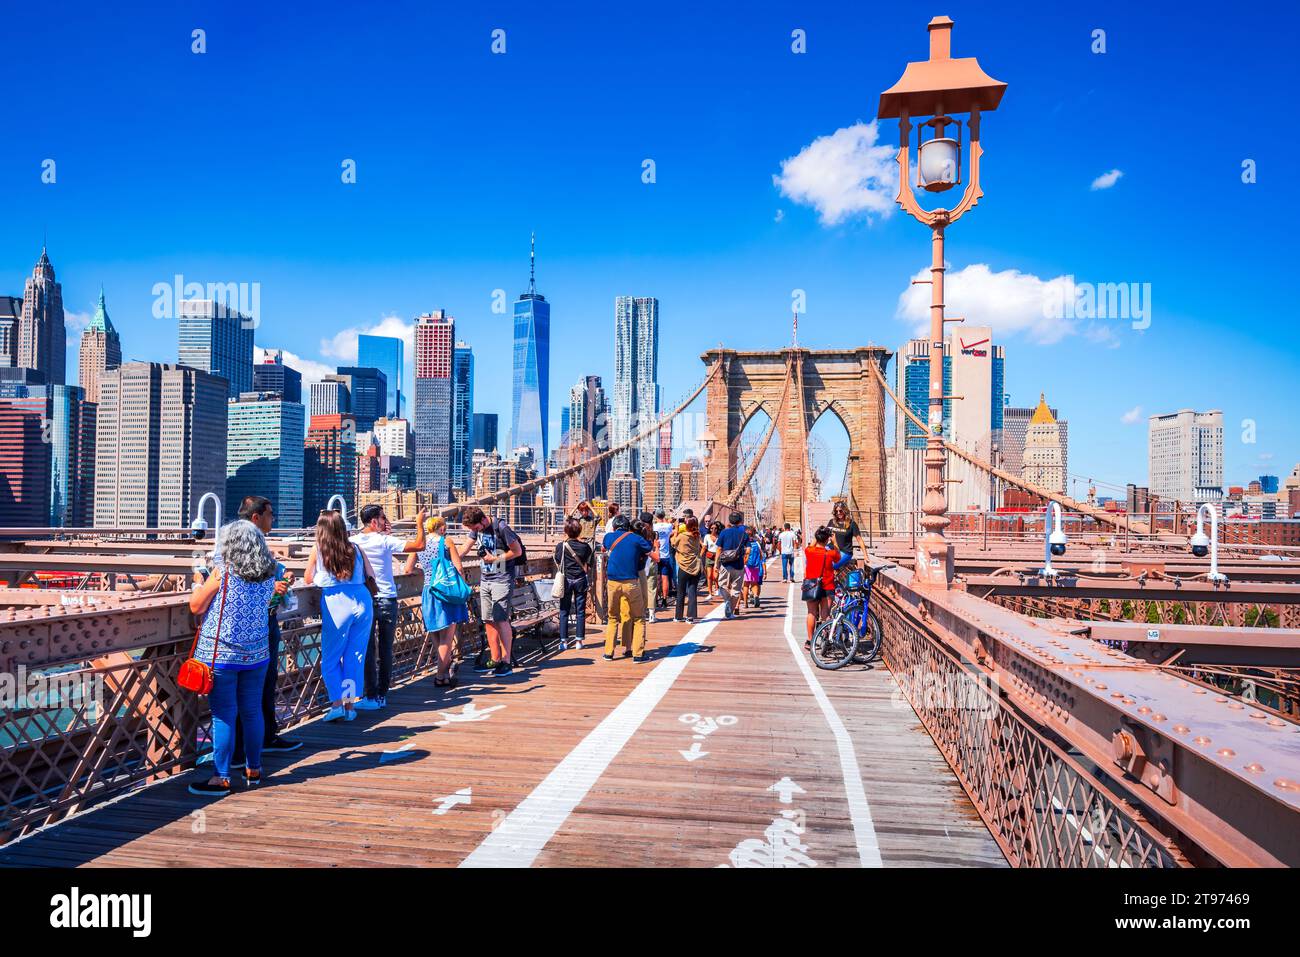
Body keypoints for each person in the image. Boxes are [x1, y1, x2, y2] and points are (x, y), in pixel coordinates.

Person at [187, 520, 281, 795]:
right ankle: (254, 768)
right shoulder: (269, 573)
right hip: (257, 653)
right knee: (251, 712)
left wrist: (197, 583)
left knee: (224, 715)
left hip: (223, 655)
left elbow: (196, 606)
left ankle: (221, 777)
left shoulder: (222, 572)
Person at [223, 496, 301, 769]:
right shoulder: (243, 544)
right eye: (270, 514)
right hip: (254, 627)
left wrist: (279, 578)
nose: (273, 519)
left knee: (256, 689)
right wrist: (276, 586)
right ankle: (242, 752)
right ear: (256, 517)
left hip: (249, 627)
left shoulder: (238, 543)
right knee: (252, 690)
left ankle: (256, 743)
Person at [351, 504, 427, 711]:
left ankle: (370, 694)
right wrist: (419, 524)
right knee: (385, 649)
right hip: (386, 599)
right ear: (375, 521)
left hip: (364, 599)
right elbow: (420, 545)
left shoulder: (352, 541)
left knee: (366, 649)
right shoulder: (384, 540)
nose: (386, 522)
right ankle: (381, 695)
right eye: (383, 518)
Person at [305, 510, 376, 721]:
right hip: (362, 601)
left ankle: (336, 705)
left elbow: (308, 578)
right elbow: (370, 575)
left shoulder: (319, 548)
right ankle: (350, 707)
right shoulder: (355, 547)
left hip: (336, 603)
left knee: (331, 658)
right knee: (355, 656)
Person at [460, 505, 522, 677]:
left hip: (502, 578)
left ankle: (506, 661)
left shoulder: (501, 527)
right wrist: (449, 558)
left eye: (475, 528)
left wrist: (495, 558)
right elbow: (464, 548)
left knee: (501, 619)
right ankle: (494, 658)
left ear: (483, 520)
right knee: (488, 619)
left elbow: (517, 551)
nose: (474, 531)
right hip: (485, 579)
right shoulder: (476, 529)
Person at [407, 515, 468, 688]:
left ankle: (445, 676)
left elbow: (408, 569)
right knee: (447, 639)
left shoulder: (419, 543)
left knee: (436, 635)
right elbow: (459, 567)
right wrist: (461, 588)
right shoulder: (446, 541)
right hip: (446, 592)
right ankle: (440, 676)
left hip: (429, 591)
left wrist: (427, 574)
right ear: (441, 528)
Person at [602, 514, 652, 661]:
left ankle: (608, 653)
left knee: (612, 618)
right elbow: (648, 547)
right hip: (631, 582)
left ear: (614, 527)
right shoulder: (636, 538)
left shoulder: (609, 537)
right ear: (628, 526)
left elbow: (604, 546)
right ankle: (637, 654)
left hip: (612, 583)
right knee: (639, 618)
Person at [802, 526, 851, 648]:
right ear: (827, 540)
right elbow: (839, 557)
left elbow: (811, 546)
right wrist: (834, 542)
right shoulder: (830, 553)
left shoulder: (809, 551)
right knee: (826, 614)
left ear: (817, 538)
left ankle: (810, 640)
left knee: (811, 613)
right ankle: (826, 639)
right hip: (827, 586)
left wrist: (817, 535)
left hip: (812, 586)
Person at [554, 518, 594, 649]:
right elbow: (589, 564)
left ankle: (563, 642)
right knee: (580, 611)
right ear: (579, 531)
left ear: (566, 531)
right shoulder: (585, 547)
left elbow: (558, 561)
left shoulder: (561, 546)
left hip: (565, 580)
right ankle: (579, 641)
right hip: (580, 580)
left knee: (564, 610)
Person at [714, 511, 749, 619]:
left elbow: (719, 549)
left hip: (725, 565)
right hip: (738, 565)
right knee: (736, 590)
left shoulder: (724, 532)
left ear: (729, 521)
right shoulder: (744, 534)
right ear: (740, 521)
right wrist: (744, 559)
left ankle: (727, 601)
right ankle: (730, 613)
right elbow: (748, 550)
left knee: (722, 586)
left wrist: (716, 564)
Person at [670, 516, 704, 622]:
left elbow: (673, 543)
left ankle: (678, 616)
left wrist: (676, 531)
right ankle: (690, 617)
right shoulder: (697, 535)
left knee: (680, 592)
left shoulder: (682, 536)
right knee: (692, 591)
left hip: (684, 567)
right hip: (696, 567)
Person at [637, 511, 659, 624]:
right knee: (652, 588)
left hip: (640, 562)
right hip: (651, 561)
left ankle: (642, 612)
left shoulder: (639, 533)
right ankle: (652, 614)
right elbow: (655, 548)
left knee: (640, 588)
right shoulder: (653, 534)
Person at [652, 509, 675, 610]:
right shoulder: (668, 526)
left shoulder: (654, 526)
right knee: (665, 578)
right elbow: (673, 530)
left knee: (656, 579)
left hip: (656, 554)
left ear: (656, 516)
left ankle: (655, 599)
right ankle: (665, 600)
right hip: (665, 555)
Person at [741, 527, 765, 608]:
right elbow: (761, 556)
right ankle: (755, 595)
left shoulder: (744, 544)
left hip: (746, 566)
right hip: (755, 566)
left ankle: (745, 603)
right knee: (754, 583)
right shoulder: (756, 543)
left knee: (746, 585)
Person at [703, 521, 722, 597]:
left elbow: (720, 548)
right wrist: (699, 556)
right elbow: (704, 547)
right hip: (709, 556)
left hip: (717, 557)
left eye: (715, 528)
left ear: (717, 529)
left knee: (715, 576)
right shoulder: (707, 536)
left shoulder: (720, 537)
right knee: (709, 576)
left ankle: (717, 587)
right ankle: (710, 592)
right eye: (712, 528)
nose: (713, 529)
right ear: (710, 529)